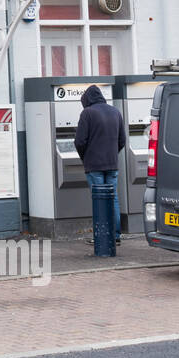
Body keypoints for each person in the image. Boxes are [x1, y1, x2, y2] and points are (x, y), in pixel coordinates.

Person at [74, 85, 126, 247]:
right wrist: (112, 154)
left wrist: (86, 157)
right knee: (113, 199)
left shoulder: (87, 113)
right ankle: (116, 235)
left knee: (99, 201)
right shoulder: (115, 112)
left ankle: (101, 236)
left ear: (87, 100)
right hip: (112, 164)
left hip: (94, 165)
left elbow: (80, 141)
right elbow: (122, 140)